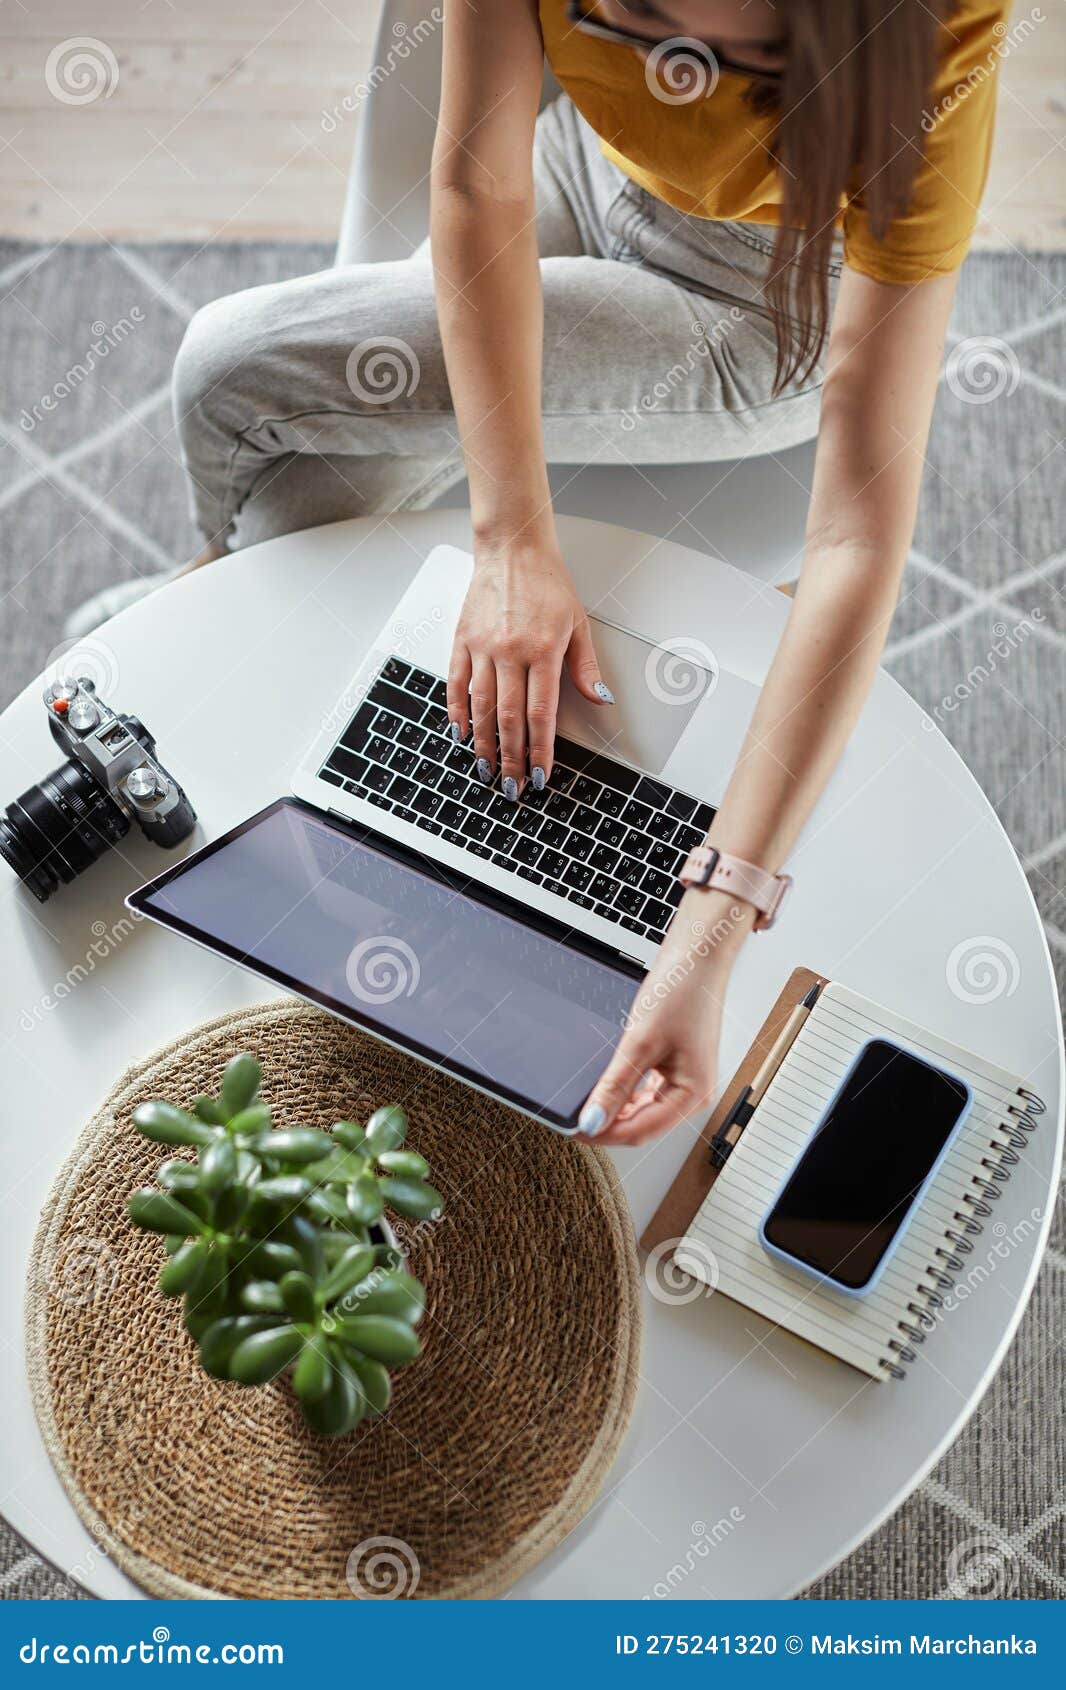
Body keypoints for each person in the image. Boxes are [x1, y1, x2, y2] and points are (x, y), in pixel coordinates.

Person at [69, 0, 1007, 1146]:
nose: (678, 69)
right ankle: (217, 603)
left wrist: (713, 922)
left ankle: (207, 627)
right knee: (294, 491)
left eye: (747, 63)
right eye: (632, 17)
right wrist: (511, 537)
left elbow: (857, 539)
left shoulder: (939, 28)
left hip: (753, 299)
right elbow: (478, 190)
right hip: (573, 165)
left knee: (237, 388)